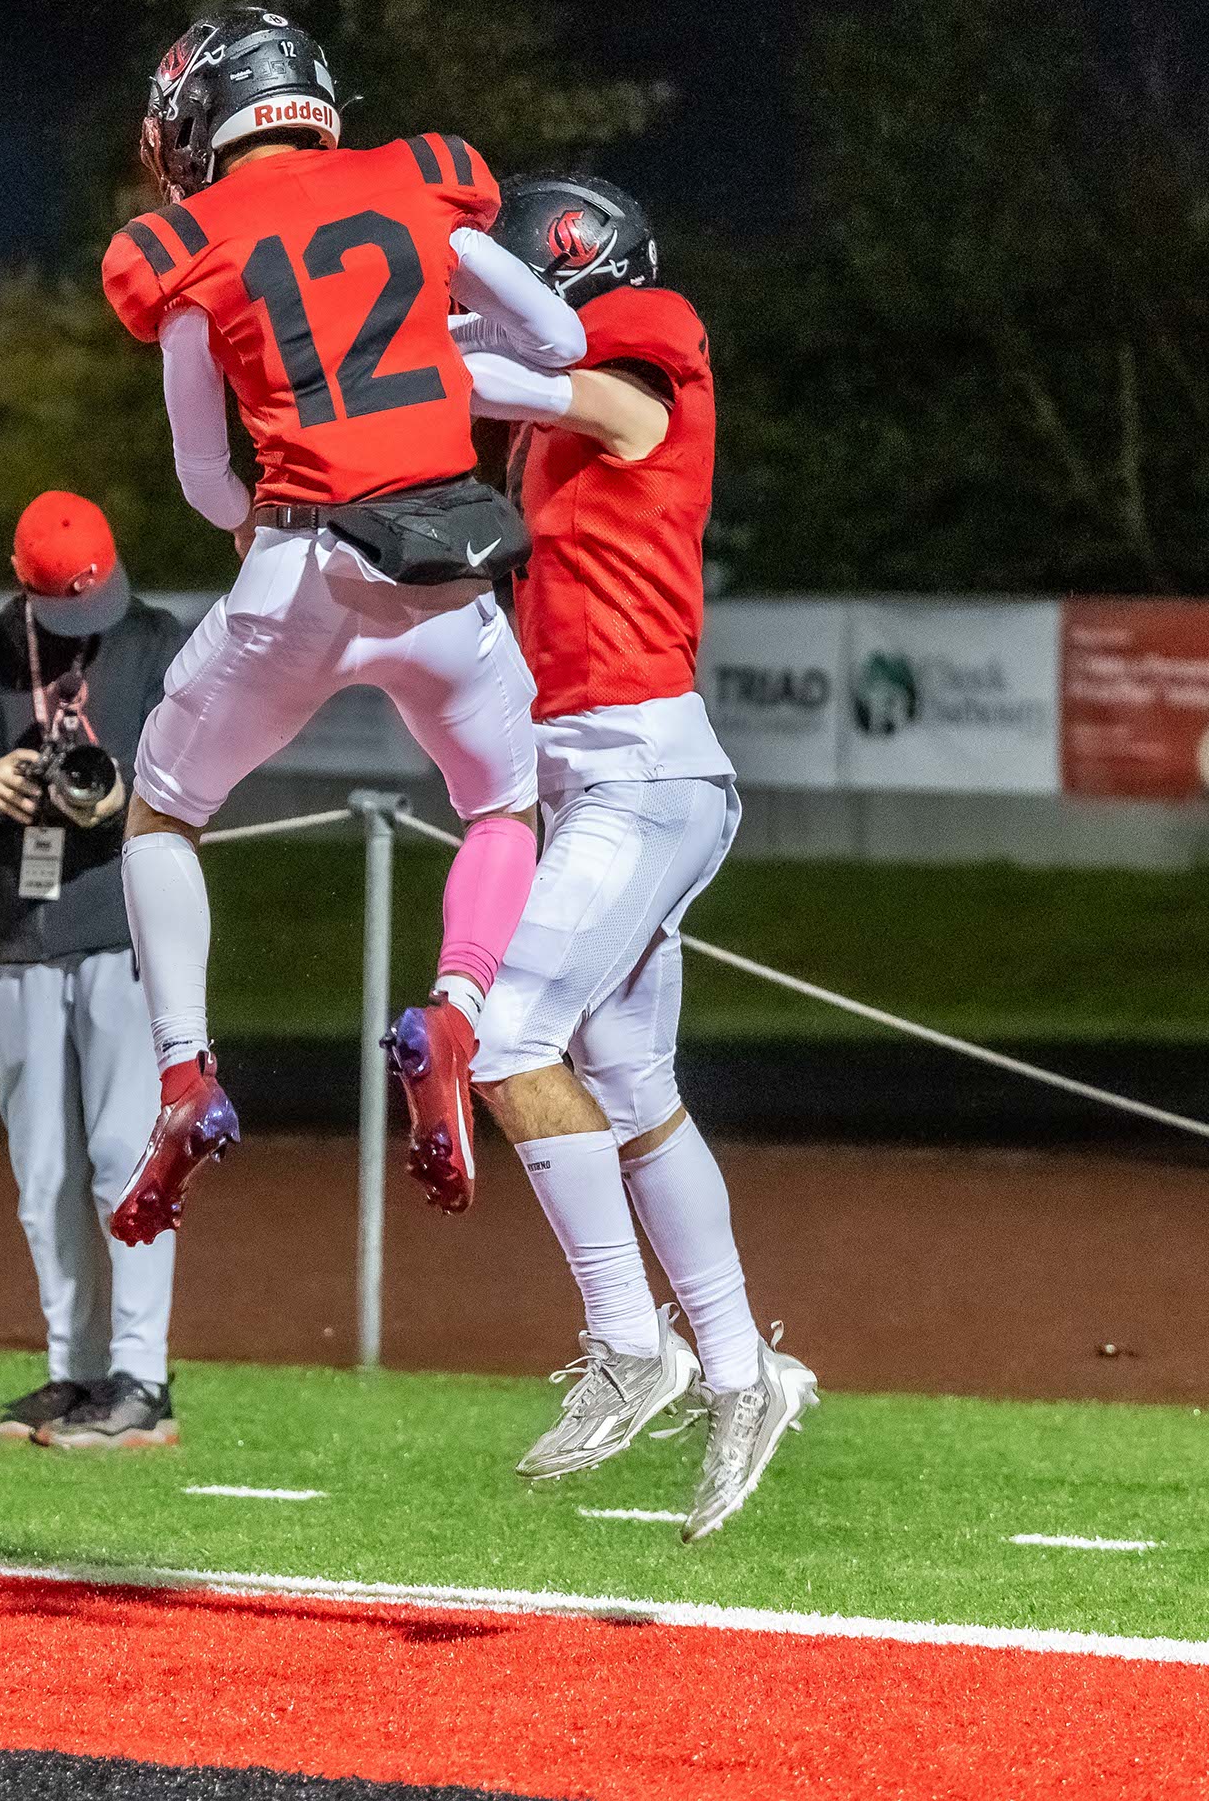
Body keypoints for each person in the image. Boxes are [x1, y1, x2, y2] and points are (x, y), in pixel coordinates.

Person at [97, 6, 587, 1246]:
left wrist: (264, 527)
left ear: (205, 118)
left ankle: (185, 1071)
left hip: (302, 566)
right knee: (500, 803)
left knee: (163, 808)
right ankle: (457, 1013)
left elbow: (207, 478)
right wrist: (436, 356)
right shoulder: (420, 180)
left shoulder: (182, 244)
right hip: (444, 567)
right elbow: (562, 338)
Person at [454, 175, 816, 1544]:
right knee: (625, 1075)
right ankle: (738, 1370)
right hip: (596, 766)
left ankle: (629, 1336)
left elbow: (610, 405)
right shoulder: (535, 431)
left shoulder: (645, 330)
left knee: (504, 1039)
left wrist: (451, 362)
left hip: (639, 765)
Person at [0, 492, 188, 1448]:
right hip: (18, 934)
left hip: (127, 926)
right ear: (25, 589)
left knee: (124, 1162)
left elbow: (207, 772)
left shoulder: (154, 639)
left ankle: (142, 1378)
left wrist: (129, 797)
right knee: (44, 1174)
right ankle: (76, 1372)